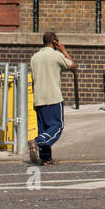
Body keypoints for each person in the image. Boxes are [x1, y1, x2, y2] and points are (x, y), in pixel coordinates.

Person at [28, 31, 76, 166]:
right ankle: (37, 141)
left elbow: (33, 79)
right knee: (57, 126)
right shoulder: (56, 55)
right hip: (53, 97)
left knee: (44, 128)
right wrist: (64, 50)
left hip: (38, 98)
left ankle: (45, 158)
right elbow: (73, 66)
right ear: (55, 42)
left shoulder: (35, 57)